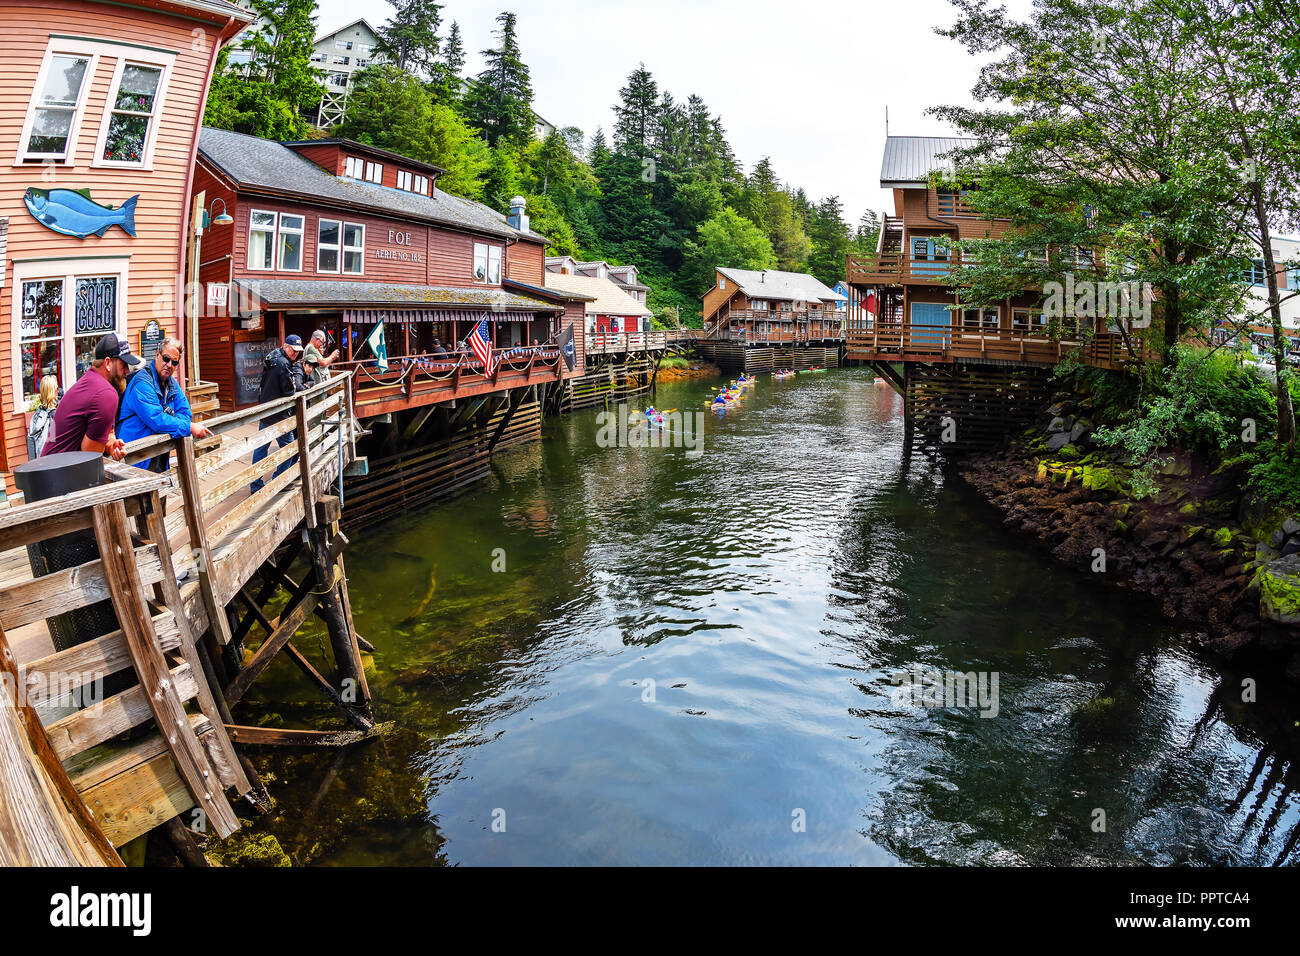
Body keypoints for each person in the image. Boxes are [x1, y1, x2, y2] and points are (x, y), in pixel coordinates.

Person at [41, 332, 140, 460]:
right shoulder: (105, 394)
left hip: (49, 468)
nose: (127, 371)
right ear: (108, 363)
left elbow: (105, 433)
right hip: (58, 473)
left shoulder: (91, 382)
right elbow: (90, 458)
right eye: (123, 364)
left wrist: (111, 445)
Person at [117, 337, 212, 470]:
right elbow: (157, 419)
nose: (169, 365)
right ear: (157, 355)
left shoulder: (172, 384)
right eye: (166, 359)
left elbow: (185, 413)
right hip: (134, 457)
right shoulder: (142, 383)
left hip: (157, 453)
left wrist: (174, 421)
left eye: (174, 362)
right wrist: (189, 427)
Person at [250, 334, 303, 493]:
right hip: (279, 414)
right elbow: (289, 391)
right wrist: (293, 384)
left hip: (266, 410)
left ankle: (255, 485)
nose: (296, 354)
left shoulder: (272, 356)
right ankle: (279, 481)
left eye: (298, 352)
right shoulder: (283, 363)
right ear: (286, 347)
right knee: (290, 448)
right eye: (294, 351)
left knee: (261, 449)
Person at [26, 375, 60, 459]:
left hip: (38, 464)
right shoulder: (53, 417)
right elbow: (54, 444)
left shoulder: (37, 416)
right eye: (56, 388)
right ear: (52, 391)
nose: (58, 391)